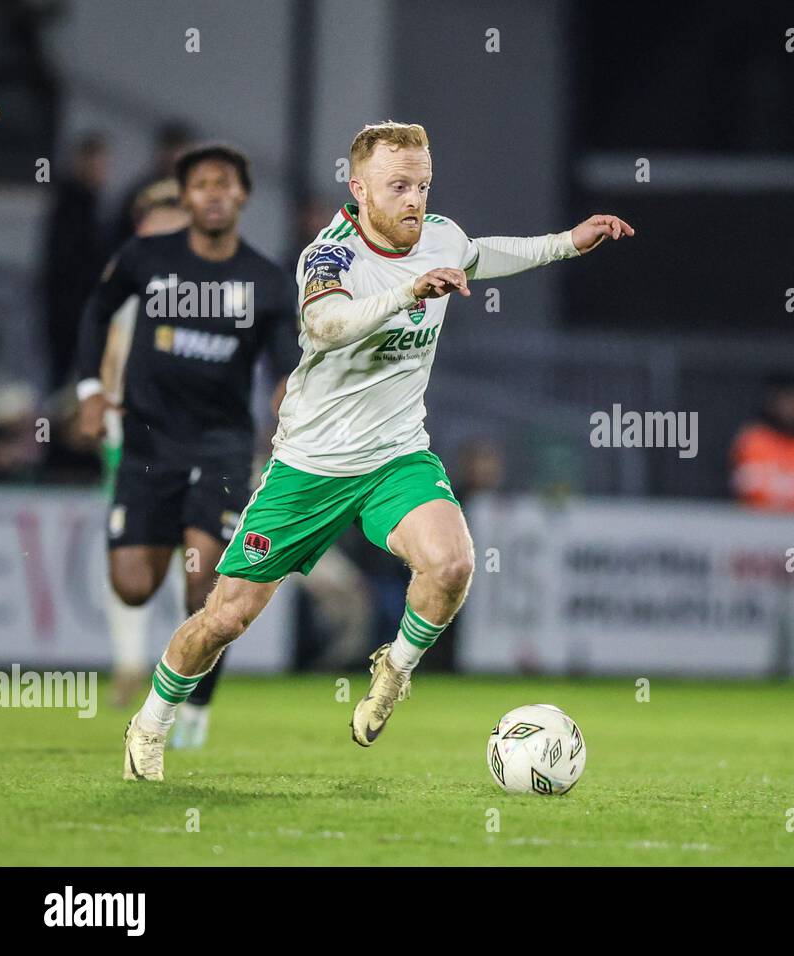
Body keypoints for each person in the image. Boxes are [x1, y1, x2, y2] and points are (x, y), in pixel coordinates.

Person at [120, 120, 634, 781]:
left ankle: (393, 670)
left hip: (395, 457)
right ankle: (151, 724)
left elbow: (483, 254)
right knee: (225, 620)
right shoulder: (329, 256)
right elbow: (325, 323)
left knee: (451, 565)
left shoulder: (440, 236)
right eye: (399, 186)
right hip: (310, 469)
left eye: (423, 184)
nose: (415, 199)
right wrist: (406, 294)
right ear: (358, 187)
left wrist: (569, 242)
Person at [74, 145, 299, 751]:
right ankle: (167, 536)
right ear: (187, 196)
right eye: (201, 184)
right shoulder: (148, 257)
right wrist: (92, 391)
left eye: (225, 184)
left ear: (243, 196)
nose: (214, 194)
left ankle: (194, 706)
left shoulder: (268, 280)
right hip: (148, 442)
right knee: (132, 586)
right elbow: (97, 310)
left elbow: (286, 363)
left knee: (203, 587)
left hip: (221, 447)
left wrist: (286, 396)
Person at [95, 179, 192, 709]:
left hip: (188, 441)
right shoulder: (132, 280)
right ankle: (132, 661)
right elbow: (110, 351)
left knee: (188, 556)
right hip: (134, 442)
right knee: (134, 551)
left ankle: (178, 665)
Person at [43, 132, 110, 393]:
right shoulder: (73, 204)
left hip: (75, 307)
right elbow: (69, 262)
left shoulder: (89, 202)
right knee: (64, 376)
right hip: (70, 309)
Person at [729, 374, 794, 511]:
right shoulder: (754, 439)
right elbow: (753, 491)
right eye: (787, 401)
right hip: (759, 524)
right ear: (772, 403)